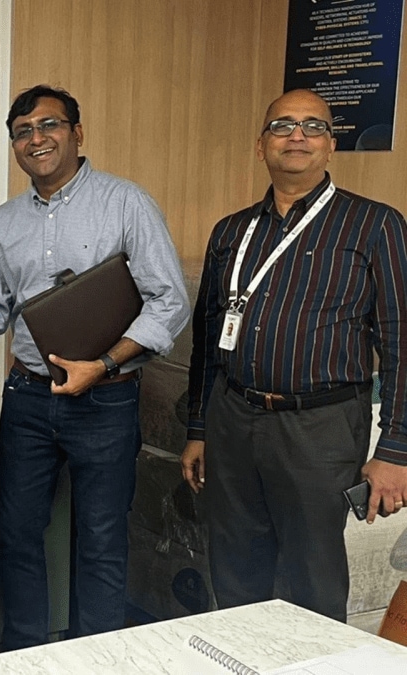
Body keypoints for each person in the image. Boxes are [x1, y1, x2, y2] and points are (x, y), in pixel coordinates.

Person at [0, 85, 189, 650]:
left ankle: (95, 658)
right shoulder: (7, 220)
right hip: (29, 397)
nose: (36, 139)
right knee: (15, 535)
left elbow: (170, 300)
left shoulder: (126, 202)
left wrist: (103, 364)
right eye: (22, 132)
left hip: (107, 400)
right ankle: (24, 656)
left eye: (49, 125)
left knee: (101, 542)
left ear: (77, 133)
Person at [180, 89, 407, 621]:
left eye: (313, 126)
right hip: (234, 418)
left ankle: (312, 660)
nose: (297, 136)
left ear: (331, 145)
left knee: (311, 577)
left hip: (320, 427)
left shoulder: (375, 224)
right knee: (234, 570)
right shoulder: (232, 231)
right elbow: (208, 340)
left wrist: (396, 449)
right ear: (261, 145)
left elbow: (401, 342)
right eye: (282, 126)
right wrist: (199, 428)